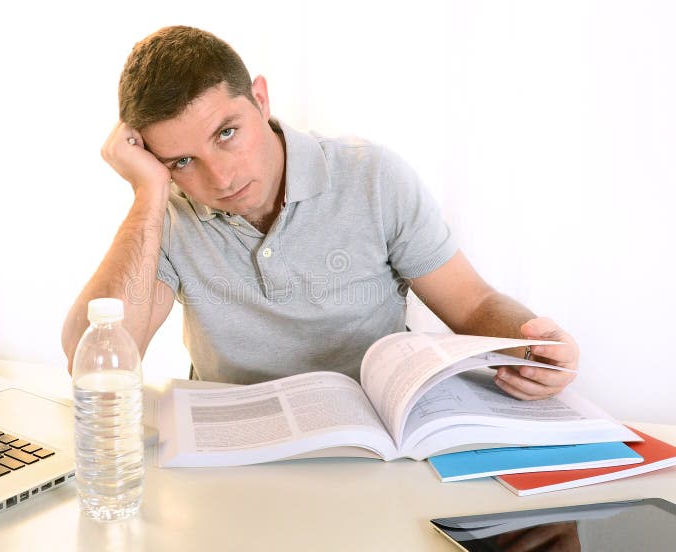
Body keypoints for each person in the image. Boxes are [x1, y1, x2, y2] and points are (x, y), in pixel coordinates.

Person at [61, 25, 579, 400]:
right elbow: (96, 356)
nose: (219, 178)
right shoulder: (166, 218)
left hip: (375, 445)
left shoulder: (373, 178)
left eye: (226, 133)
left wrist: (532, 343)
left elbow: (472, 305)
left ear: (260, 99)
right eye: (182, 160)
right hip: (235, 465)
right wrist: (148, 194)